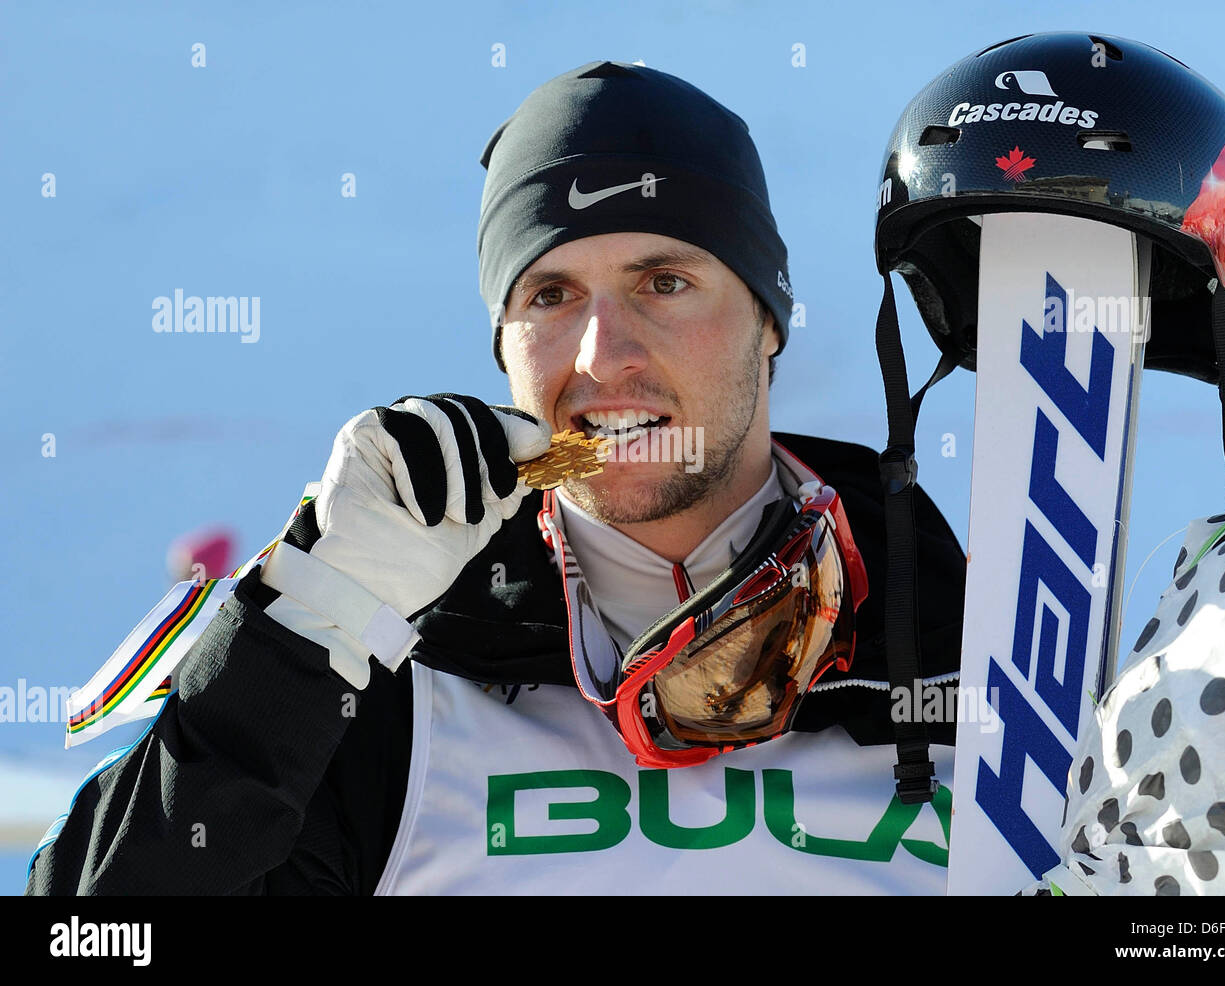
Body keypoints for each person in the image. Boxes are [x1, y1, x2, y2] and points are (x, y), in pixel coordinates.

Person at [26, 61, 966, 896]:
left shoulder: (965, 643)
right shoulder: (390, 677)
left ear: (768, 320)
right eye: (550, 296)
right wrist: (309, 619)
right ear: (504, 348)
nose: (604, 354)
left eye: (664, 282)